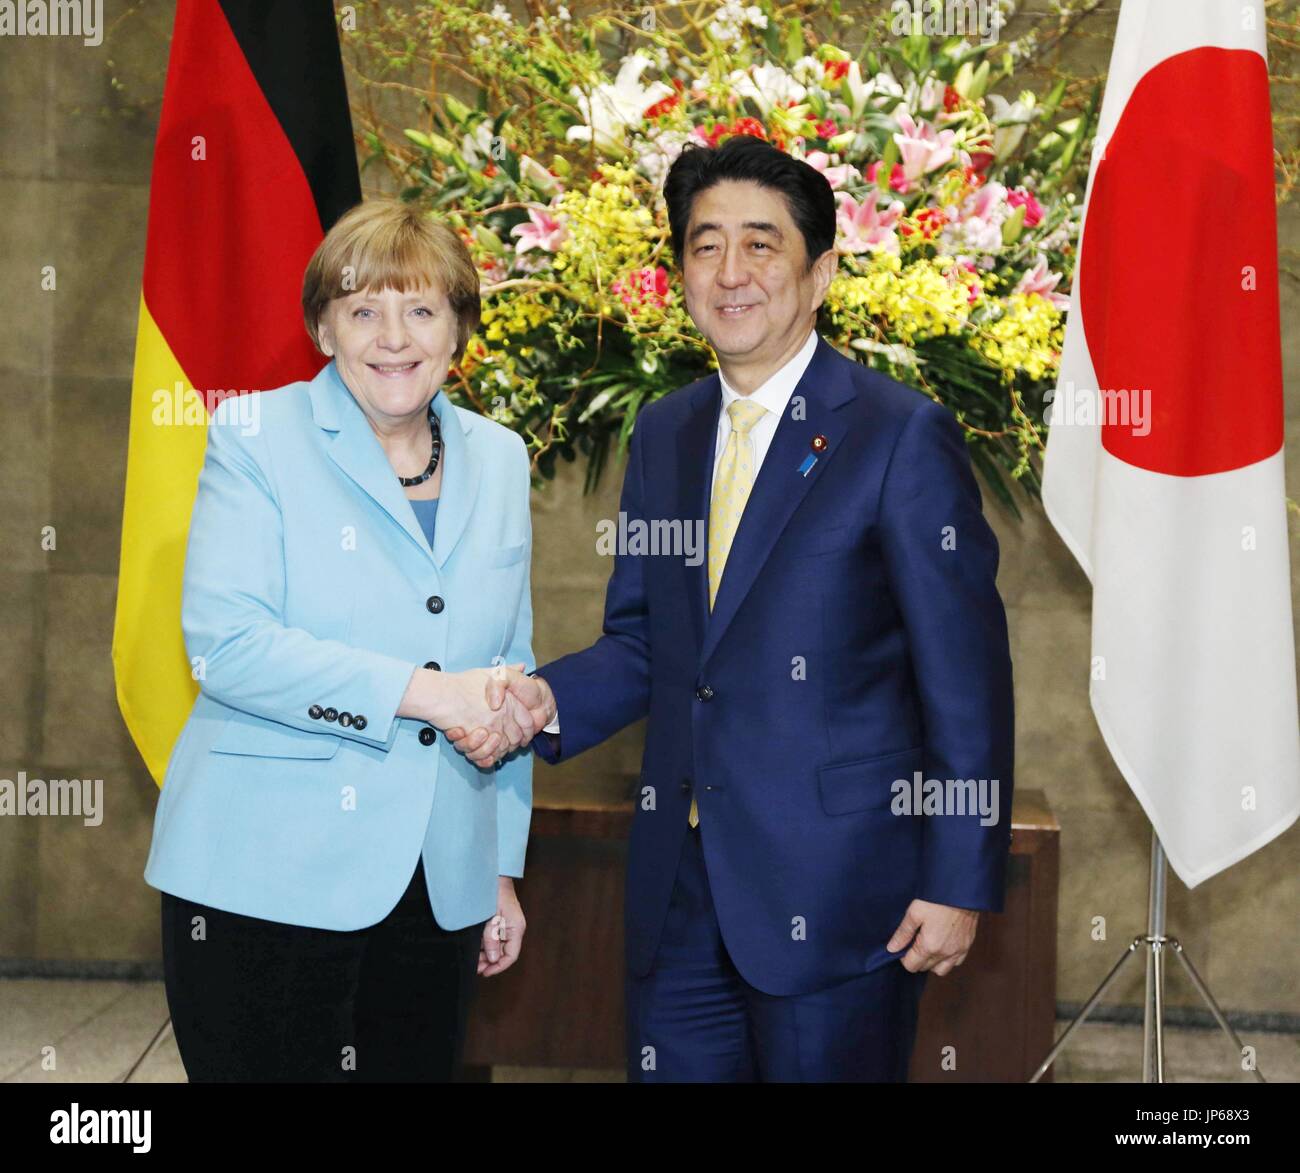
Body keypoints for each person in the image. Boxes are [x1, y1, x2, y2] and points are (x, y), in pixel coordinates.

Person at [451, 135, 1016, 1082]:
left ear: (821, 271)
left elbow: (967, 679)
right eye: (705, 245)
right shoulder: (666, 431)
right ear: (679, 275)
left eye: (761, 243)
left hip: (841, 898)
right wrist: (542, 703)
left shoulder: (897, 434)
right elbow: (645, 642)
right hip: (677, 896)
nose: (731, 270)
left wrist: (958, 878)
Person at [144, 198, 542, 1082]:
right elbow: (230, 645)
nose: (392, 336)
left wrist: (498, 873)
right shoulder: (254, 436)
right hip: (264, 874)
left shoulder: (502, 456)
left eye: (421, 309)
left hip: (438, 885)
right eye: (364, 309)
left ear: (458, 330)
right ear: (324, 327)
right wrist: (425, 690)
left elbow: (506, 673)